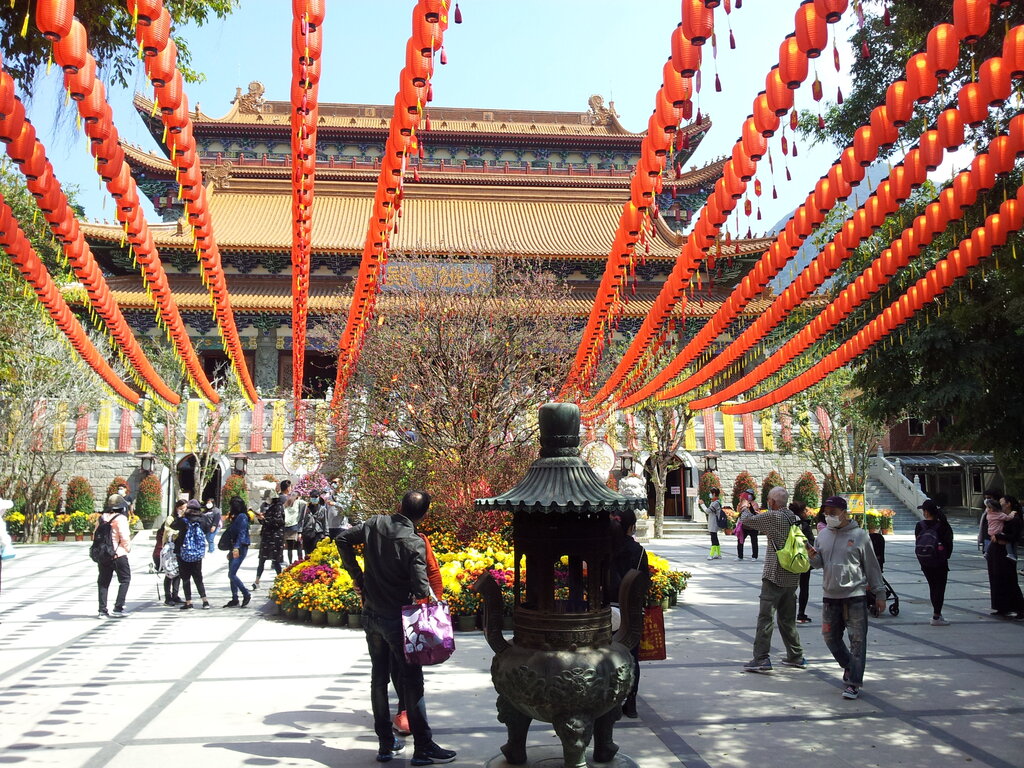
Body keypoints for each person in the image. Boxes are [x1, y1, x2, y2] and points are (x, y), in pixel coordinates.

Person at [335, 490, 457, 765]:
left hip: (371, 615)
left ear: (399, 506)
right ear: (423, 515)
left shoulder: (374, 524)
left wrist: (358, 577)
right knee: (412, 681)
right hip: (399, 621)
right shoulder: (413, 542)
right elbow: (421, 589)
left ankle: (385, 745)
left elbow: (341, 538)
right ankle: (423, 748)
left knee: (378, 679)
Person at [808, 496, 886, 700]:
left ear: (844, 512)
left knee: (857, 641)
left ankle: (853, 683)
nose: (829, 516)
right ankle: (850, 666)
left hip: (855, 597)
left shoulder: (860, 535)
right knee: (830, 637)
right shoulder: (823, 535)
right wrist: (811, 554)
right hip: (830, 595)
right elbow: (818, 564)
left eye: (833, 512)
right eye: (826, 512)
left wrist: (880, 593)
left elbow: (872, 566)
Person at [740, 486, 804, 673]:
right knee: (787, 619)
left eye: (768, 499)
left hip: (774, 574)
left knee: (765, 618)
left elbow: (747, 521)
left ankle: (761, 658)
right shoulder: (794, 517)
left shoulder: (774, 516)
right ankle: (796, 655)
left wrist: (744, 507)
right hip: (792, 575)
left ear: (773, 502)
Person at [609, 508, 650, 719]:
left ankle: (610, 702)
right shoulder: (639, 551)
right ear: (632, 526)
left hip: (606, 610)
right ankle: (631, 702)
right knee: (631, 657)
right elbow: (645, 582)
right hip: (630, 611)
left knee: (606, 655)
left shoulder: (603, 548)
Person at [915, 499, 954, 626]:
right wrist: (945, 556)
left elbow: (918, 542)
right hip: (940, 561)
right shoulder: (943, 525)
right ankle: (937, 615)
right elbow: (949, 543)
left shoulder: (920, 525)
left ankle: (937, 614)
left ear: (926, 512)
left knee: (933, 586)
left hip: (925, 561)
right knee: (940, 587)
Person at [985, 496, 1024, 619]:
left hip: (1006, 553)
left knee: (1009, 580)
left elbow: (1015, 537)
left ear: (1008, 504)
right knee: (996, 578)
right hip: (996, 550)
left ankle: (1020, 608)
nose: (1000, 504)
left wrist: (999, 537)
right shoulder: (999, 516)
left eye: (1002, 502)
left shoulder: (1014, 518)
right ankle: (1001, 607)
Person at [97, 494, 133, 618]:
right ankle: (118, 608)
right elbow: (124, 536)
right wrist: (127, 548)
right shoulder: (121, 518)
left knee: (103, 582)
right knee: (125, 579)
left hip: (104, 554)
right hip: (118, 554)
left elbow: (95, 534)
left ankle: (102, 610)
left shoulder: (102, 518)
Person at [173, 499, 211, 610]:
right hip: (197, 553)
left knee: (186, 578)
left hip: (184, 553)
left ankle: (189, 602)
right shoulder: (203, 519)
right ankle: (205, 601)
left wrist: (179, 516)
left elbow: (173, 525)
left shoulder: (184, 520)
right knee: (198, 577)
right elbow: (207, 529)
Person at [253, 489, 285, 590]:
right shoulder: (270, 507)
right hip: (266, 536)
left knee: (276, 561)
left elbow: (278, 521)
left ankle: (281, 581)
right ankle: (257, 581)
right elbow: (266, 522)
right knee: (262, 560)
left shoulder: (278, 507)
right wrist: (261, 518)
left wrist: (265, 519)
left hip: (275, 537)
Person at [222, 497, 252, 608]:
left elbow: (242, 533)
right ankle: (234, 598)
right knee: (231, 573)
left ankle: (246, 593)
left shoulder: (242, 517)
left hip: (240, 547)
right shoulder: (237, 517)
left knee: (232, 574)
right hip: (235, 546)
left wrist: (236, 548)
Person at [790, 501, 815, 624]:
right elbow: (811, 542)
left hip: (789, 560)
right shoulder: (804, 525)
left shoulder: (788, 523)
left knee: (790, 588)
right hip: (803, 560)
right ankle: (801, 614)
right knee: (804, 587)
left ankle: (788, 614)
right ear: (800, 512)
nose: (806, 512)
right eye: (805, 510)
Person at [161, 501, 183, 605]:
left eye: (185, 508)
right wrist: (178, 532)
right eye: (181, 508)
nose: (183, 510)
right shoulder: (171, 518)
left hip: (180, 548)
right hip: (170, 548)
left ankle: (175, 595)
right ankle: (167, 597)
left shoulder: (185, 519)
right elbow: (167, 530)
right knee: (169, 573)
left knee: (178, 572)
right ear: (177, 508)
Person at [298, 490, 329, 556]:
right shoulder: (305, 507)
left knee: (316, 553)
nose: (314, 498)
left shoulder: (322, 509)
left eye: (316, 497)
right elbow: (301, 520)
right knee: (307, 553)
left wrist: (326, 534)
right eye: (312, 497)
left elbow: (325, 522)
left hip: (318, 533)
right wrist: (299, 532)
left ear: (319, 497)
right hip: (307, 532)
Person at [282, 480, 305, 563]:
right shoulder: (298, 502)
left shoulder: (286, 503)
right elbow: (307, 504)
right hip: (295, 526)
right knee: (299, 545)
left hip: (287, 527)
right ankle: (300, 561)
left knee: (289, 547)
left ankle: (290, 562)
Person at [737, 490, 759, 560]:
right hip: (744, 526)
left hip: (753, 526)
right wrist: (740, 503)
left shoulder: (755, 504)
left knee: (754, 542)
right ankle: (740, 556)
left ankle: (754, 556)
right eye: (747, 494)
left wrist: (748, 506)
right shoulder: (742, 503)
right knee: (740, 540)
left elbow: (753, 512)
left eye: (750, 494)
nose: (748, 496)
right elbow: (738, 511)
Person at [706, 487, 723, 560]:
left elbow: (707, 511)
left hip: (714, 523)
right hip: (712, 522)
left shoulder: (716, 503)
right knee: (715, 539)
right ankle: (718, 554)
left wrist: (702, 504)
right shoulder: (714, 502)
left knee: (713, 539)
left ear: (714, 494)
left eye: (711, 493)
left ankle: (711, 554)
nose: (710, 494)